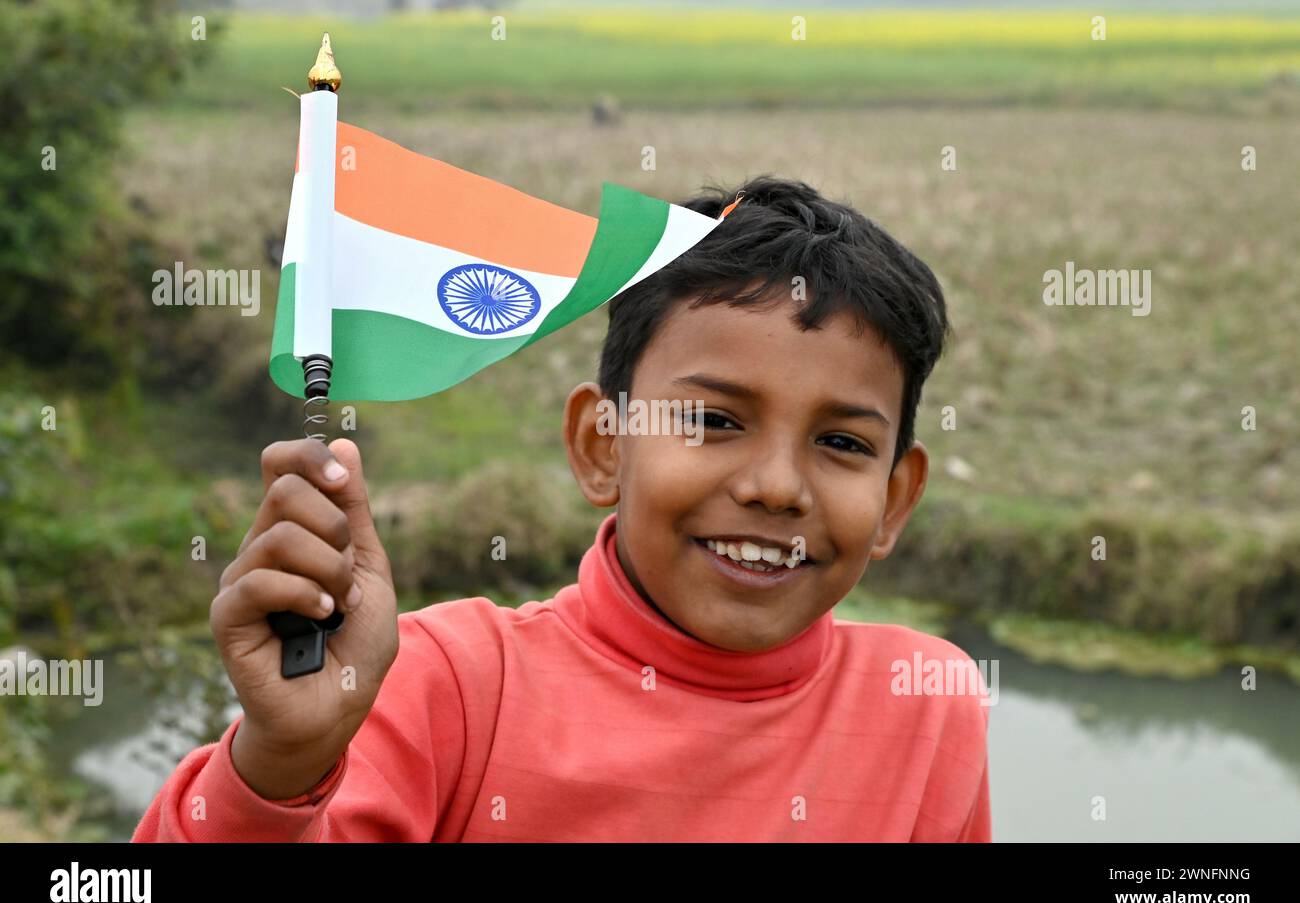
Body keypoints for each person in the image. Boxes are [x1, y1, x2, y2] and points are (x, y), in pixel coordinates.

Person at [133, 176, 990, 842]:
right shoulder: (442, 685)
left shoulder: (924, 706)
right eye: (713, 421)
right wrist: (281, 763)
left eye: (842, 444)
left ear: (895, 498)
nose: (777, 485)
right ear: (601, 444)